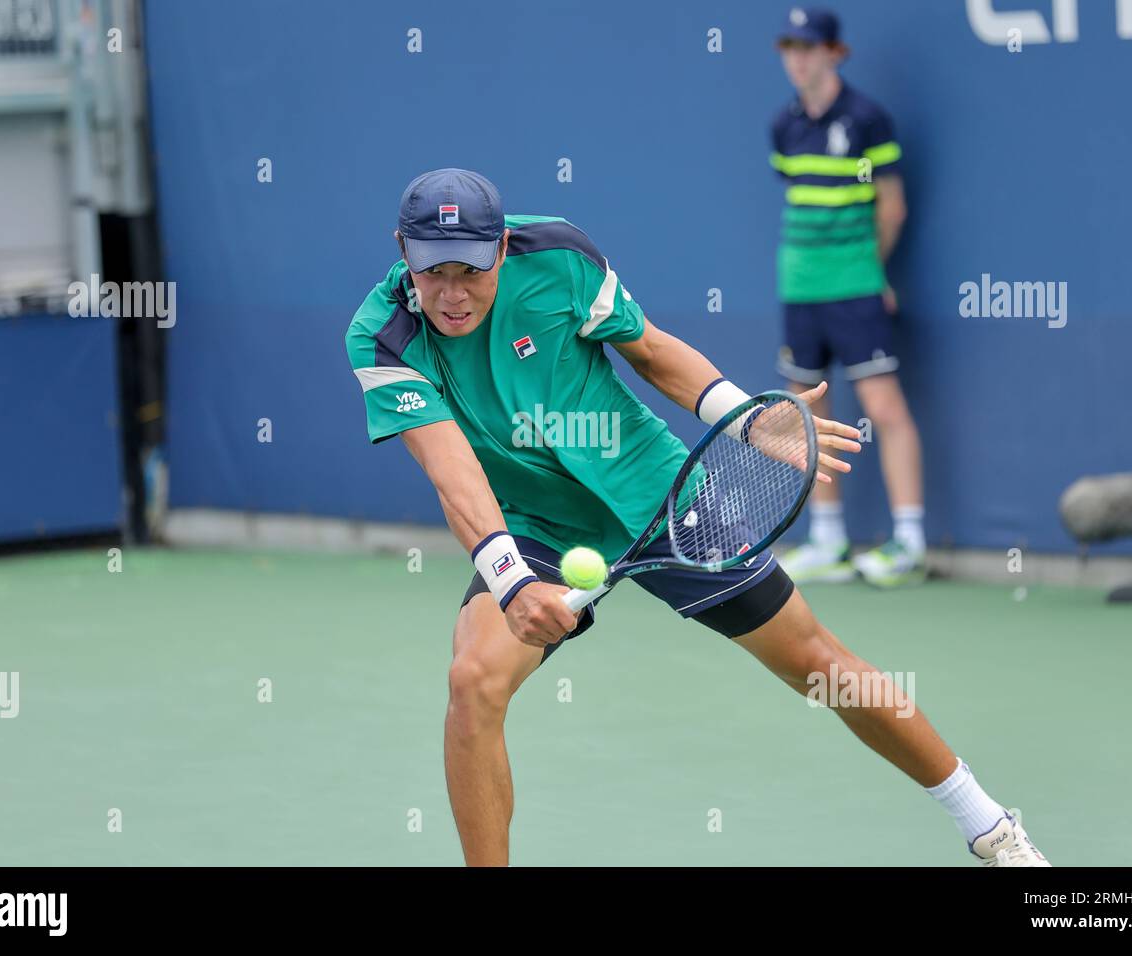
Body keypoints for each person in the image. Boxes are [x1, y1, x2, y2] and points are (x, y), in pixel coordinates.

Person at [346, 167, 1048, 867]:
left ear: (500, 249)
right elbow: (452, 470)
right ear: (401, 251)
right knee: (473, 681)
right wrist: (509, 580)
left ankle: (990, 828)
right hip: (533, 522)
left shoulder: (559, 258)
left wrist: (746, 421)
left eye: (468, 270)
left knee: (818, 664)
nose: (451, 293)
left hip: (655, 492)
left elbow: (650, 350)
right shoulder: (384, 336)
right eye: (431, 271)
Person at [770, 8, 927, 587]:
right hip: (799, 290)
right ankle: (829, 539)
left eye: (809, 47)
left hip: (856, 289)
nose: (798, 57)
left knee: (885, 410)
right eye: (790, 46)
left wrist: (872, 270)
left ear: (836, 53)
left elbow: (892, 207)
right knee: (809, 417)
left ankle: (909, 541)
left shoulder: (866, 120)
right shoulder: (783, 127)